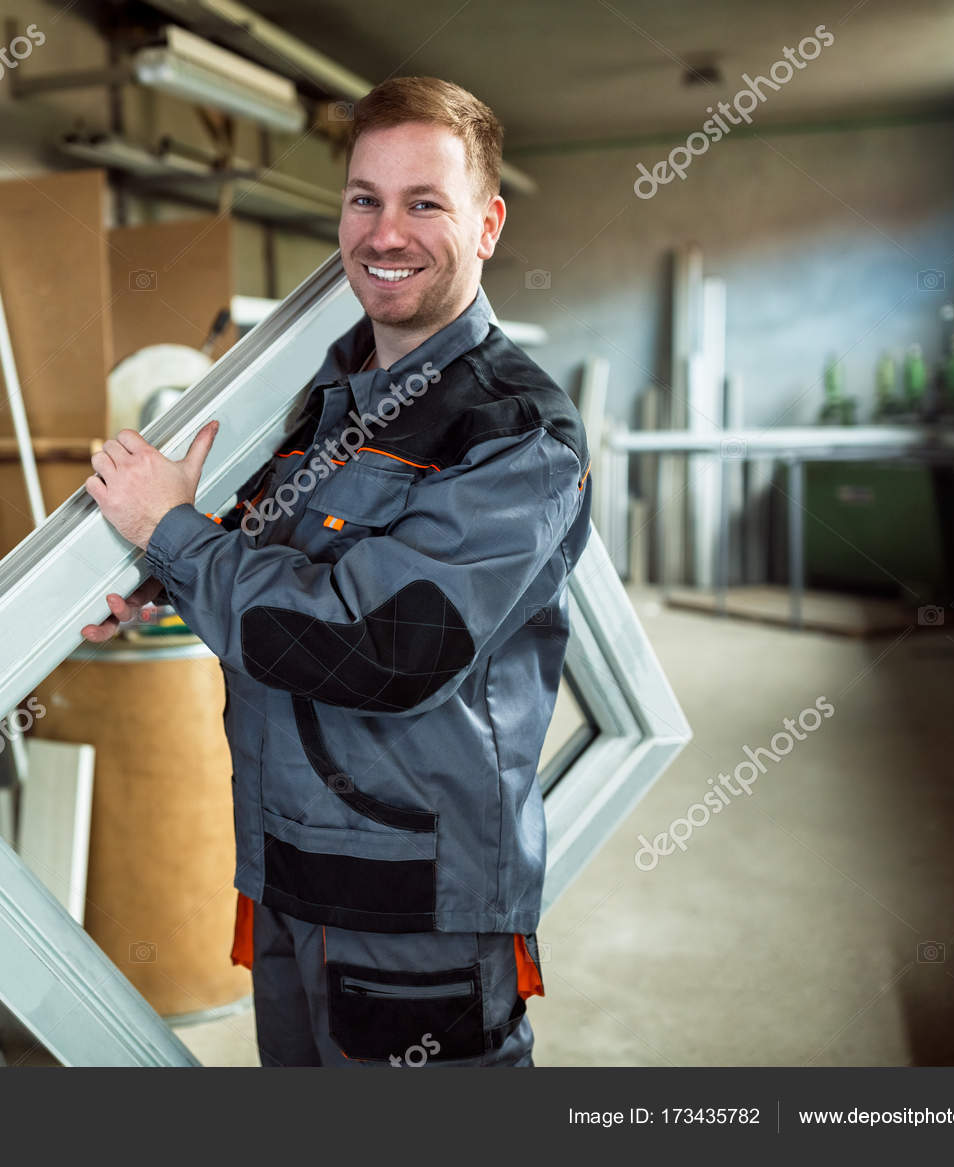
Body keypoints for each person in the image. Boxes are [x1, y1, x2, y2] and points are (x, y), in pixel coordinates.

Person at [79, 76, 592, 1067]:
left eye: (424, 202)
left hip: (411, 903)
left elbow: (374, 647)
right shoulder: (331, 395)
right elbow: (284, 576)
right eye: (365, 197)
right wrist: (165, 578)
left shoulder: (513, 429)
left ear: (486, 225)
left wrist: (174, 535)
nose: (385, 232)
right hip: (289, 870)